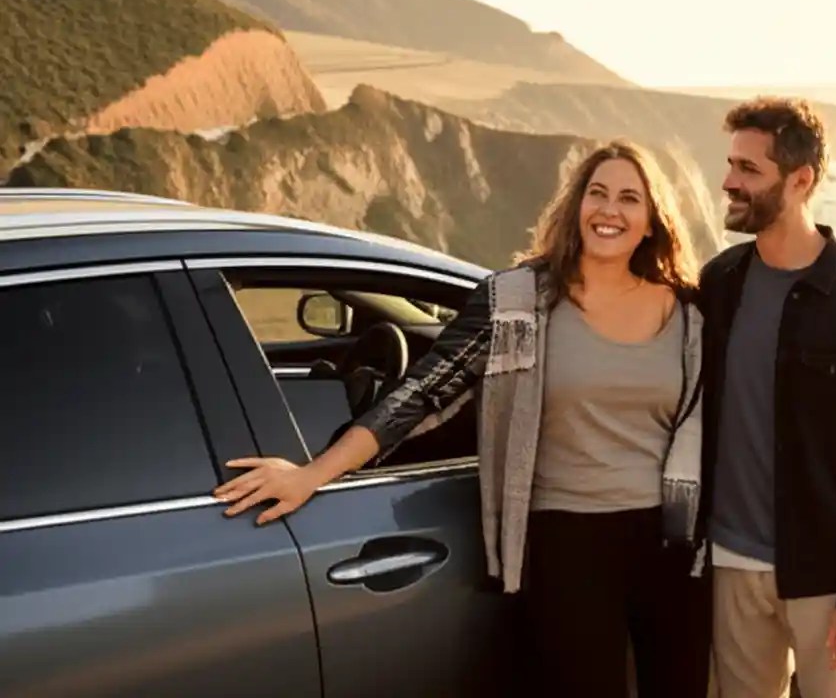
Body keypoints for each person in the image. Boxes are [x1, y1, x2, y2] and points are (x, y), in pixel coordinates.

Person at [212, 139, 713, 698]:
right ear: (575, 206)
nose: (609, 211)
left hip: (670, 545)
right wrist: (312, 474)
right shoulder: (516, 301)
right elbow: (419, 393)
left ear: (651, 222)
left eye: (629, 199)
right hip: (566, 542)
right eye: (597, 194)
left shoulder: (688, 312)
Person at [696, 97, 836, 698]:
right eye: (731, 164)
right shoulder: (719, 284)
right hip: (731, 568)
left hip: (828, 579)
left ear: (801, 181)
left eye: (748, 170)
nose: (729, 182)